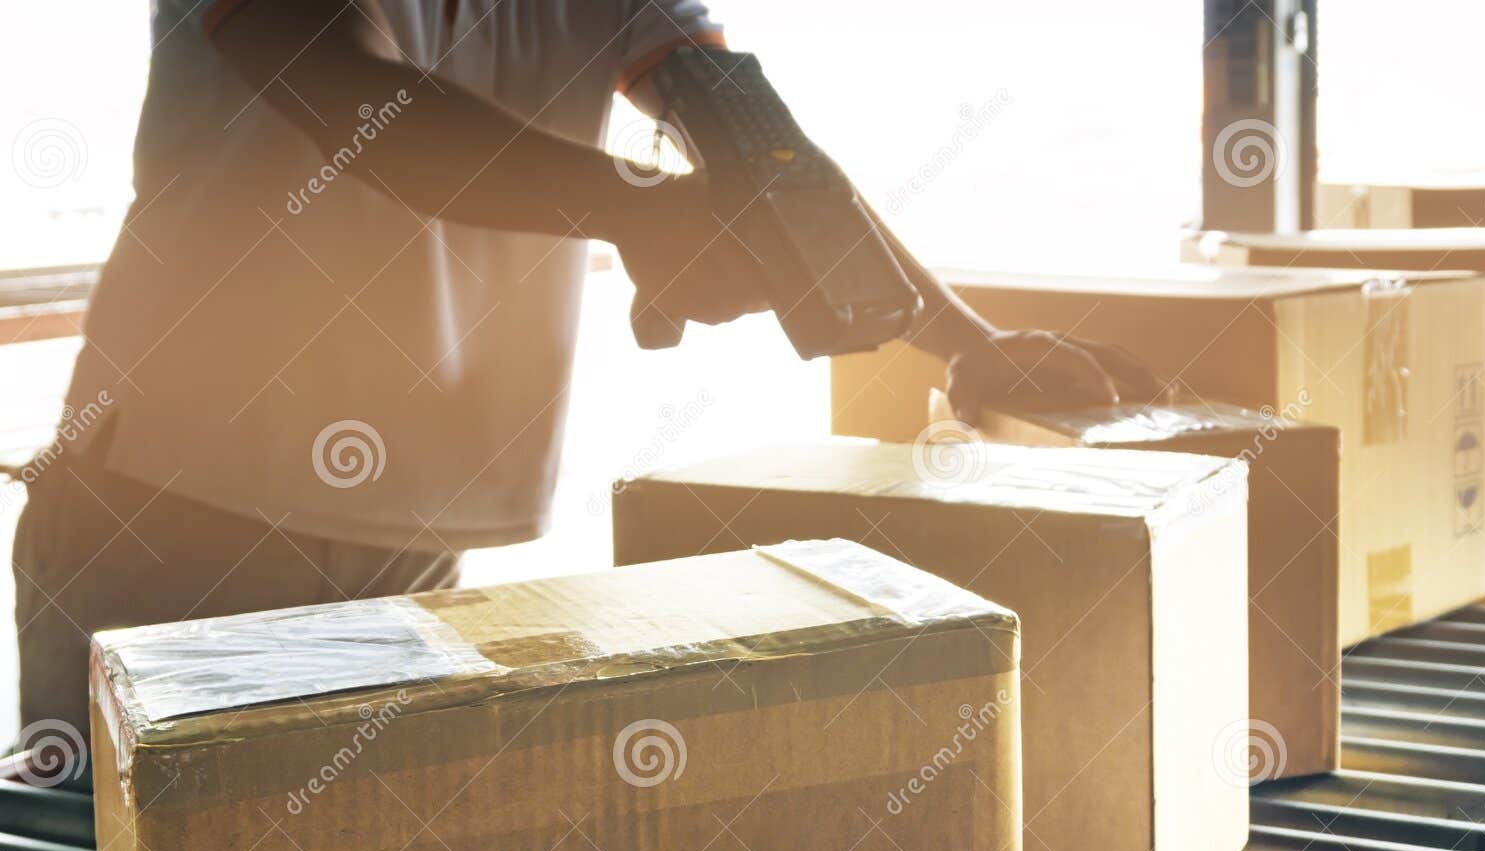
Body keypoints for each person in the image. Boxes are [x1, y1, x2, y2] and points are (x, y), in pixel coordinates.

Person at [13, 0, 1166, 741]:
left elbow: (767, 153)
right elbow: (362, 105)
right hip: (175, 512)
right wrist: (646, 214)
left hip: (417, 530)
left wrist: (963, 340)